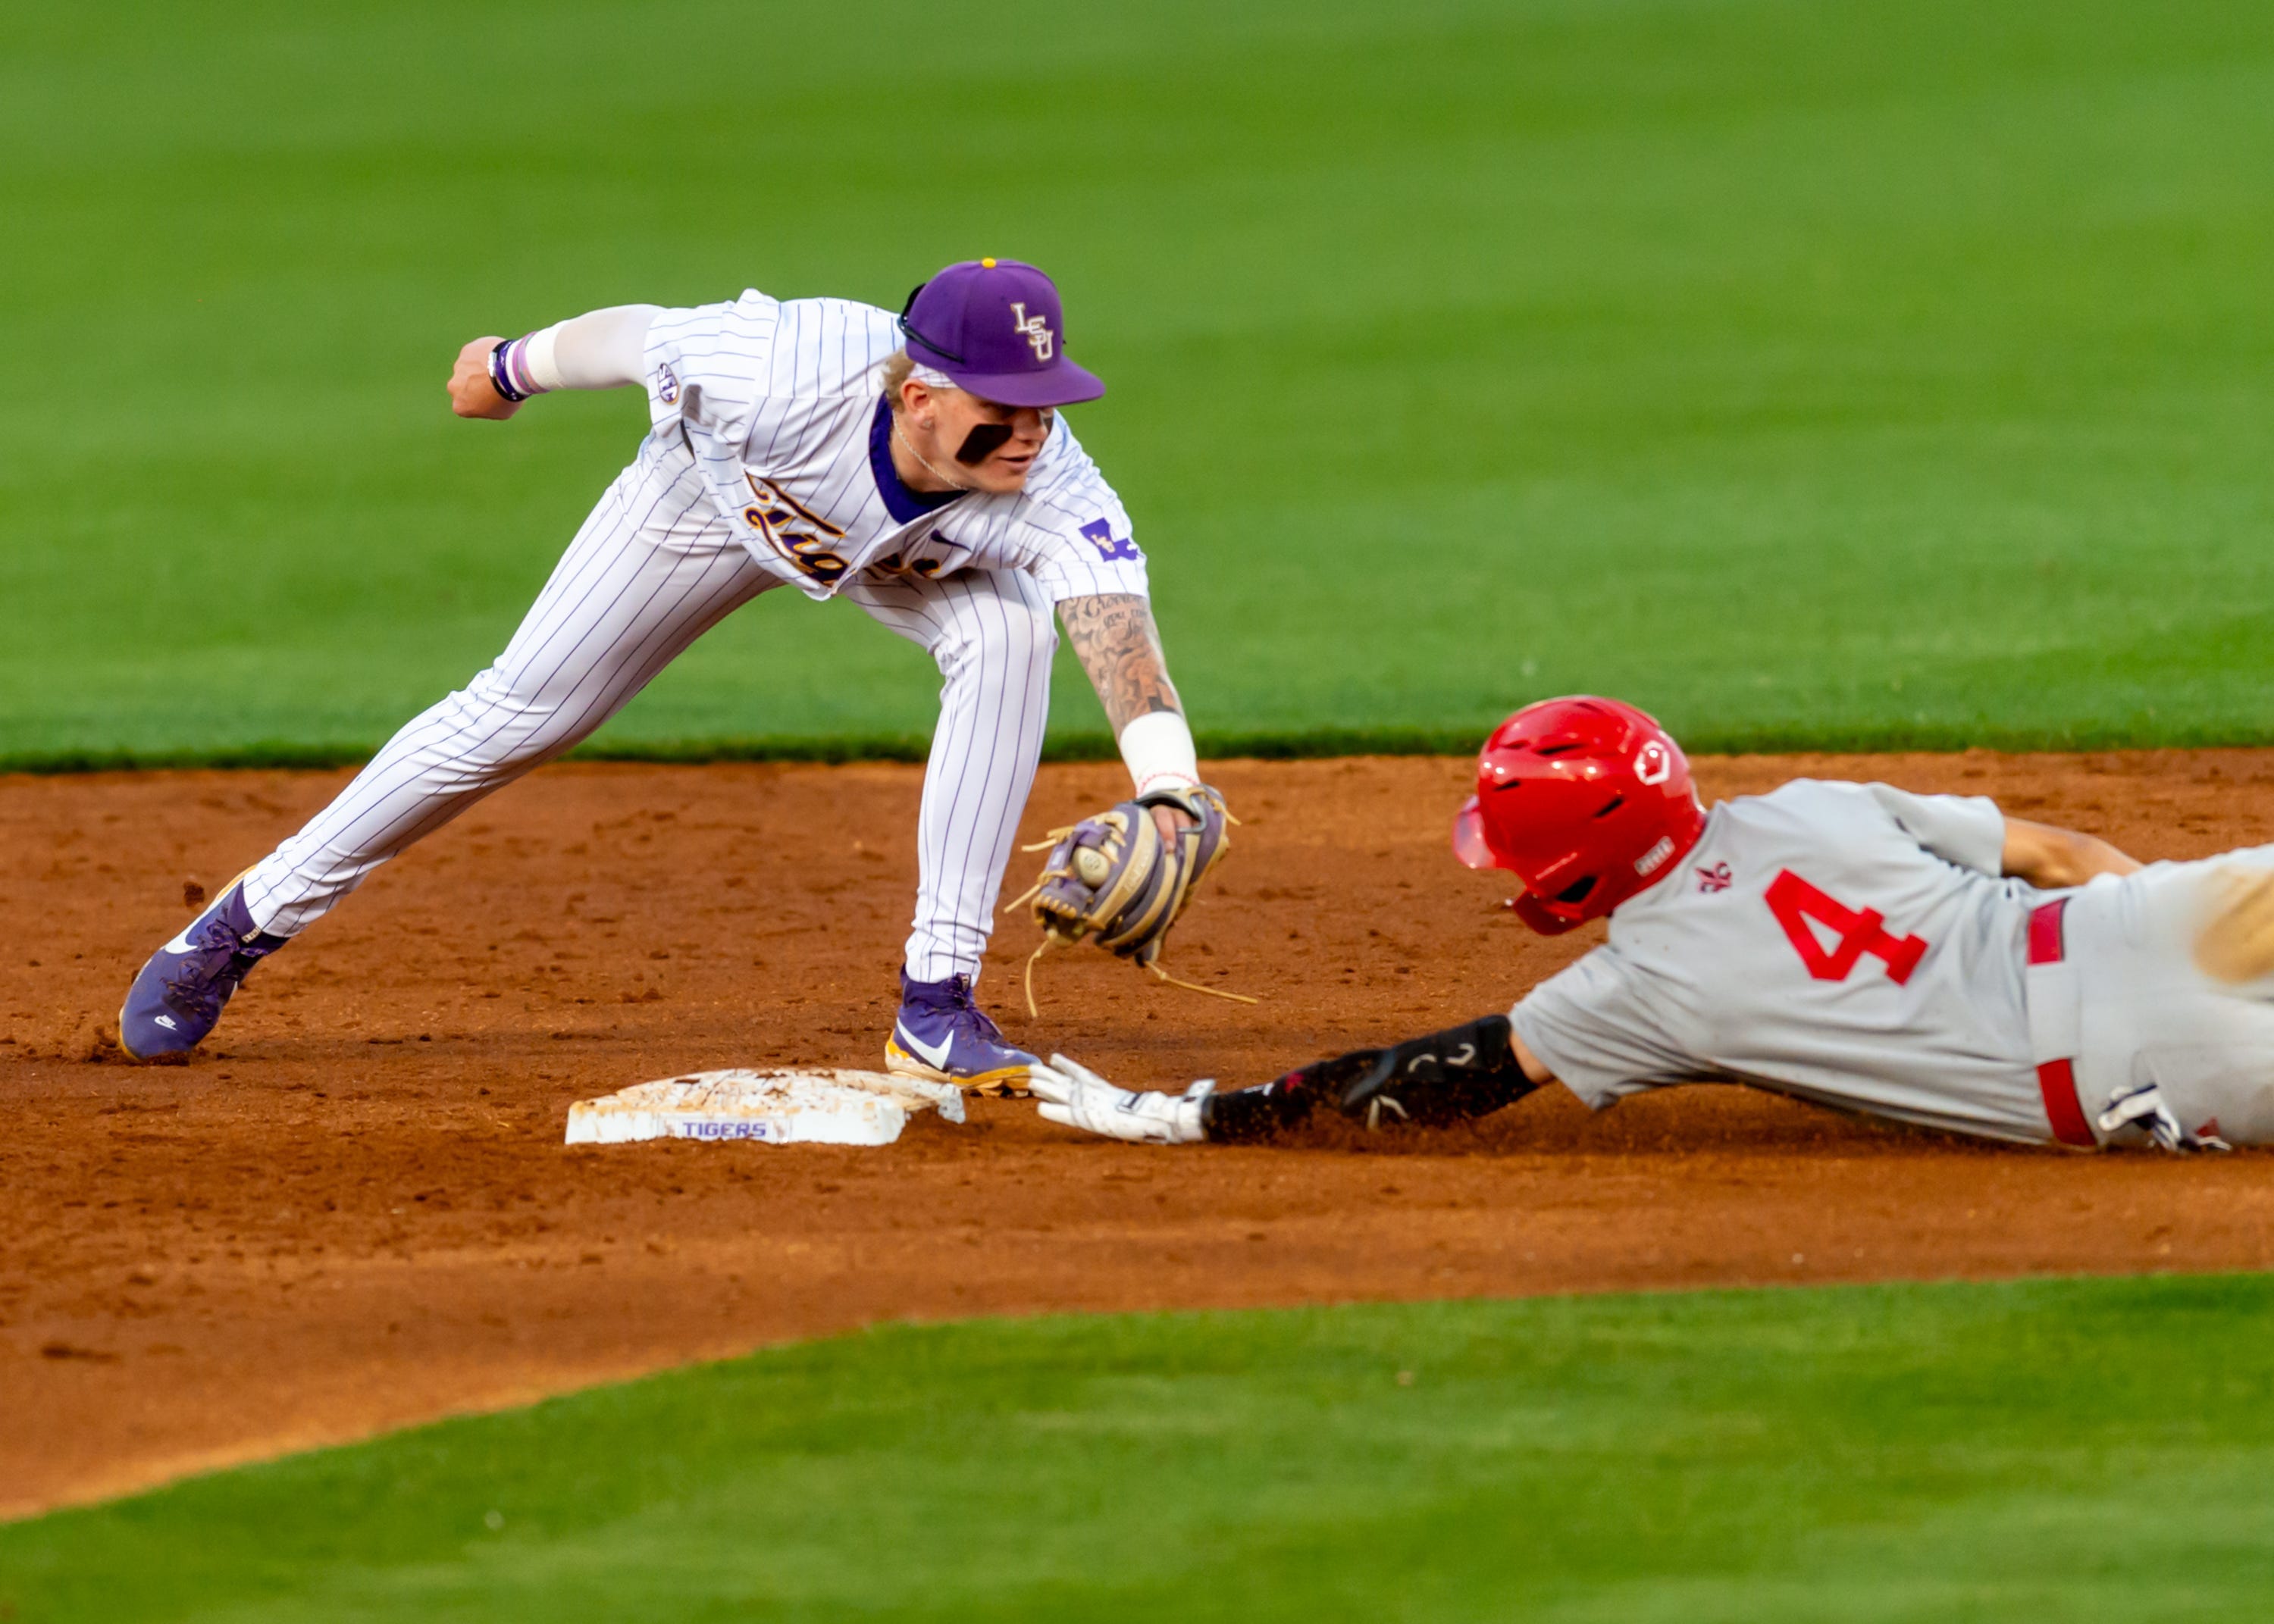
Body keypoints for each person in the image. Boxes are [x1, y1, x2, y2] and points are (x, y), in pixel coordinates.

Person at [120, 258, 1220, 1092]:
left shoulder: (1056, 482)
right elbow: (632, 339)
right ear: (919, 392)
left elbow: (1113, 627)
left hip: (915, 566)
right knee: (513, 718)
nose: (1033, 430)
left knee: (1013, 634)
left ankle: (936, 1005)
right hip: (704, 509)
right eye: (1004, 408)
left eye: (1046, 402)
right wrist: (506, 368)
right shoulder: (783, 368)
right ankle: (231, 929)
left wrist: (1171, 789)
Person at [1032, 695, 2274, 1151]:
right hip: (2145, 921)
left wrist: (1208, 1113)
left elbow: (1435, 1082)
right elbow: (2063, 856)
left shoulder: (1634, 991)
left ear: (1567, 877)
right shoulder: (1813, 808)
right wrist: (2145, 931)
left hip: (2127, 1074)